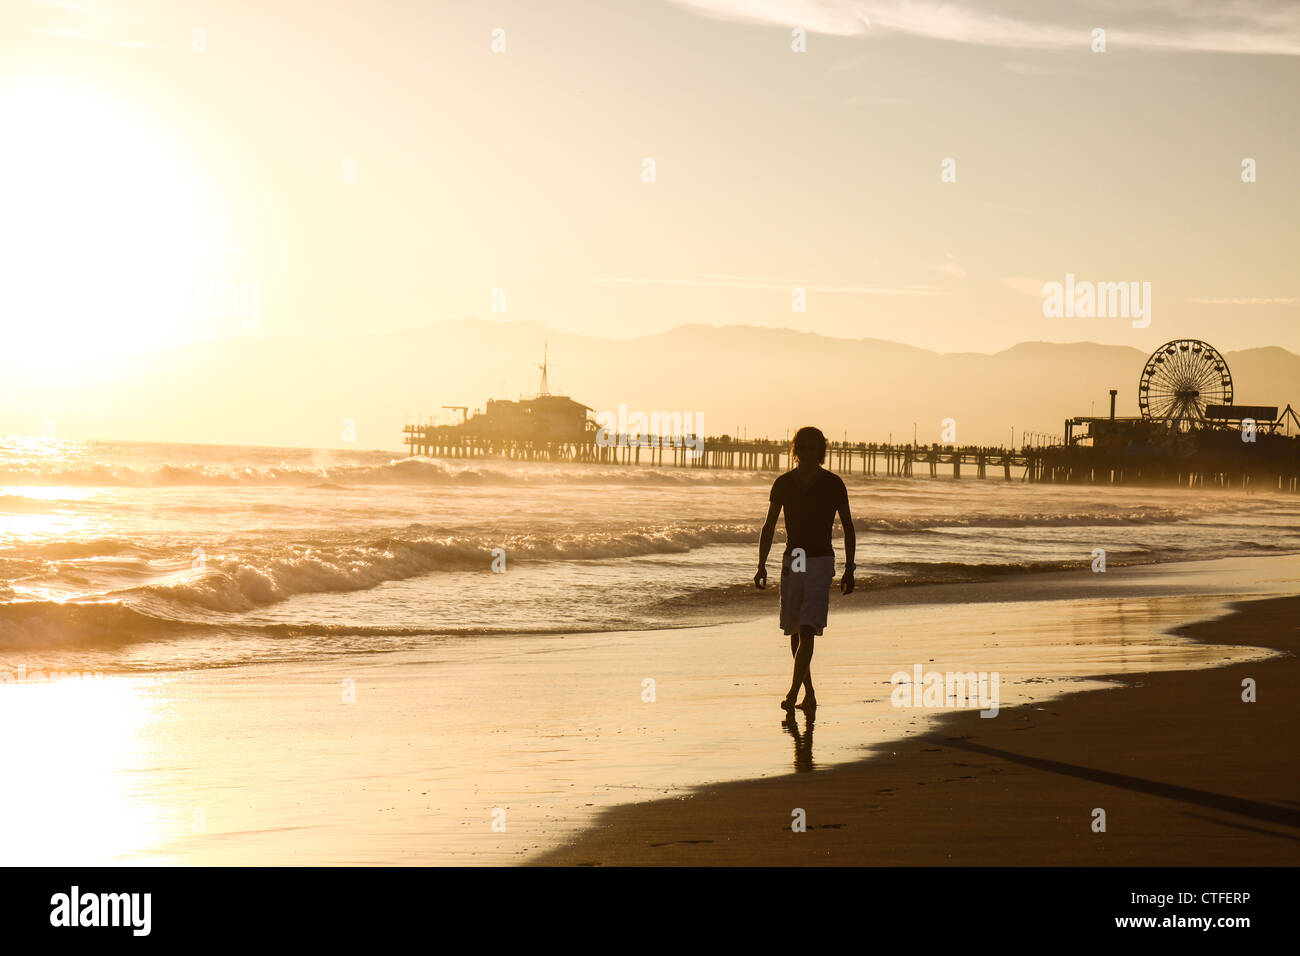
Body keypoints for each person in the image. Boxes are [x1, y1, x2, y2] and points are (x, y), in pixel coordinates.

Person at [754, 426, 855, 716]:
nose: (810, 453)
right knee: (796, 629)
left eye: (816, 448)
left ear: (822, 452)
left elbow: (848, 526)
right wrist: (761, 564)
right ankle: (808, 692)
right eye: (805, 447)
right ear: (796, 450)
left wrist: (850, 568)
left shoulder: (834, 484)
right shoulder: (784, 483)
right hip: (795, 556)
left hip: (821, 559)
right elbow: (769, 525)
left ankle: (792, 691)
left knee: (809, 626)